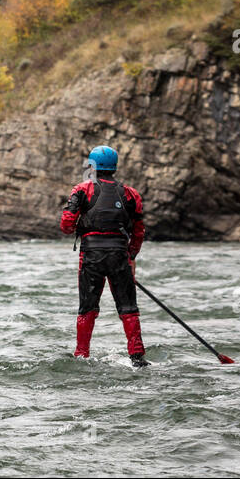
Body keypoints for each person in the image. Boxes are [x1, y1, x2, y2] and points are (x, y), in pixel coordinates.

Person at [60, 145, 148, 366]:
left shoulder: (81, 190)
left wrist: (80, 221)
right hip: (120, 256)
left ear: (92, 167)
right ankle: (137, 357)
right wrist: (131, 257)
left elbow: (66, 226)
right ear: (115, 167)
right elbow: (138, 231)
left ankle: (81, 355)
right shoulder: (131, 194)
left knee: (87, 308)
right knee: (128, 308)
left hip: (91, 257)